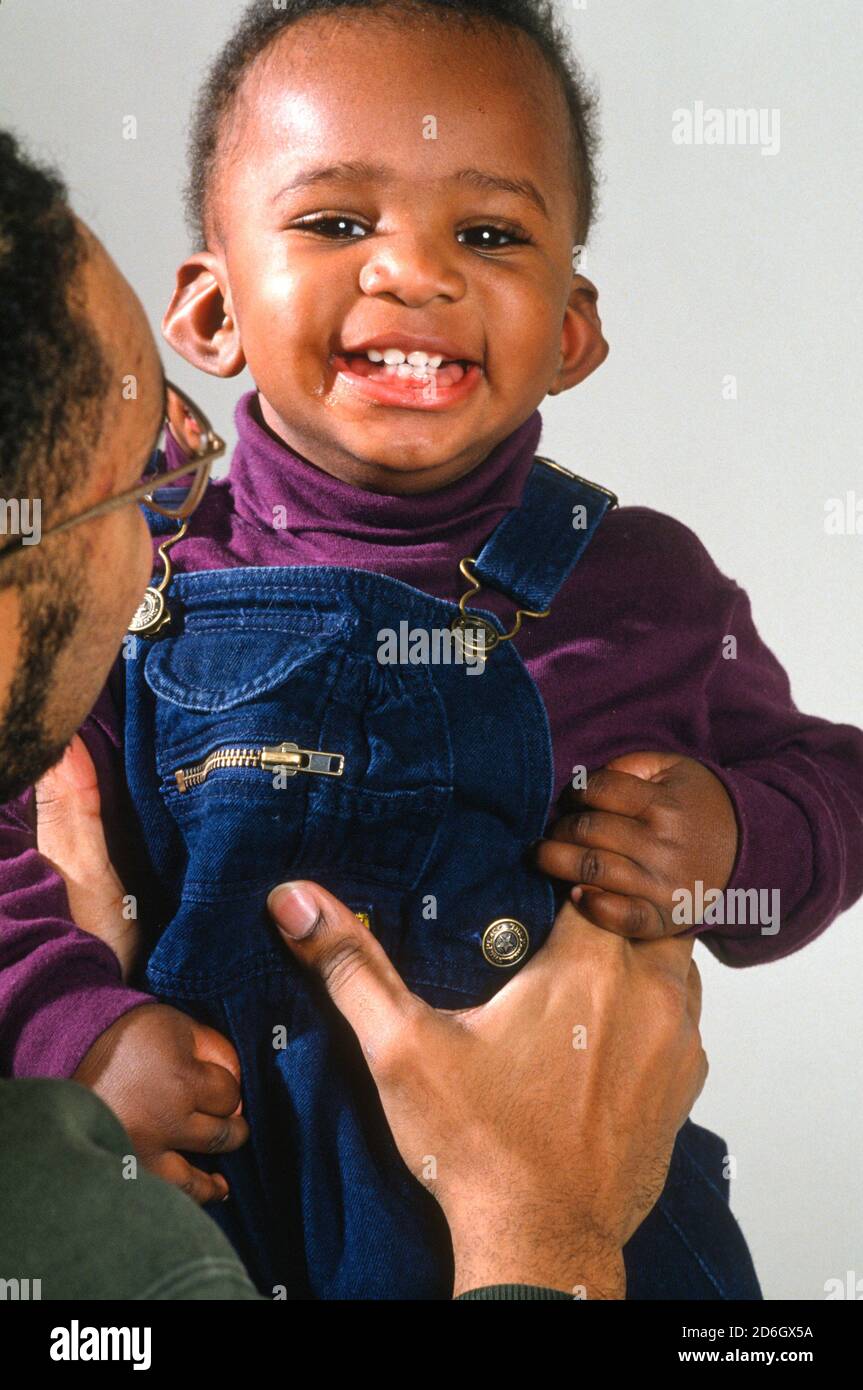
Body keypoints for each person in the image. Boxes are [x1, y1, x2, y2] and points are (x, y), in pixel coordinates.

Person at [3, 0, 862, 1299]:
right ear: (209, 308)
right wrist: (77, 1029)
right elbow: (17, 835)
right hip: (232, 1207)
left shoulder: (642, 584)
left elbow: (834, 784)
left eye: (489, 231)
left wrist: (739, 841)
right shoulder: (144, 574)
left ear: (571, 328)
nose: (414, 271)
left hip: (590, 1209)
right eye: (338, 220)